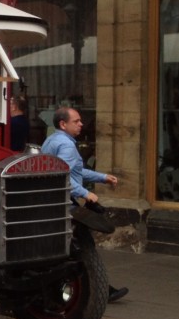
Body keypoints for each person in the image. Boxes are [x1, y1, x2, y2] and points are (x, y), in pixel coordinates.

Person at [41, 106, 127, 302]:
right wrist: (86, 193)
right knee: (83, 246)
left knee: (79, 245)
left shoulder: (52, 140)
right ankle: (99, 290)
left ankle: (102, 288)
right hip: (64, 203)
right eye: (76, 121)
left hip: (53, 202)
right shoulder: (67, 145)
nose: (81, 124)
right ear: (63, 124)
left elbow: (75, 171)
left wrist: (102, 177)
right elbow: (63, 176)